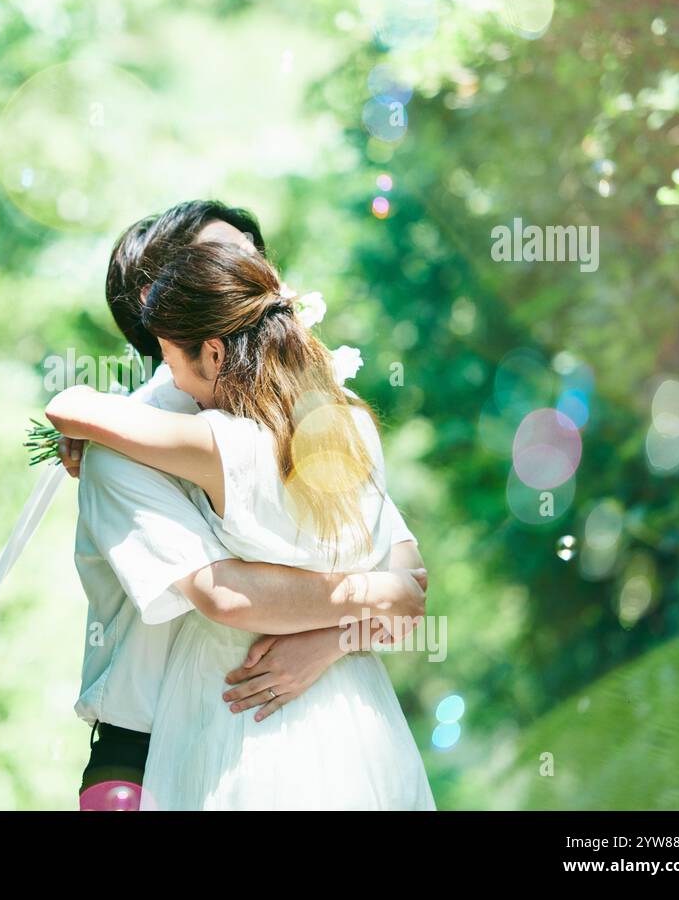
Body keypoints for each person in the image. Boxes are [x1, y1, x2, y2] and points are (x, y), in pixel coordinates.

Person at [61, 201, 428, 806]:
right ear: (162, 292)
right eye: (221, 260)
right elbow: (391, 591)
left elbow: (405, 580)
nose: (255, 272)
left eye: (252, 258)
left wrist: (328, 642)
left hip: (285, 707)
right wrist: (369, 602)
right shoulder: (128, 442)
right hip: (152, 740)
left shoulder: (315, 418)